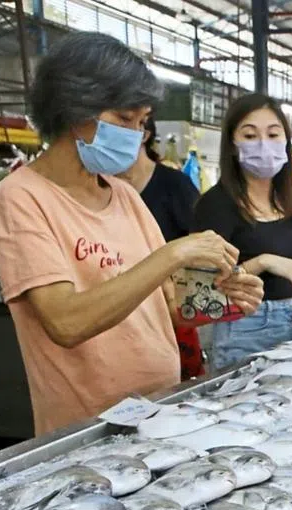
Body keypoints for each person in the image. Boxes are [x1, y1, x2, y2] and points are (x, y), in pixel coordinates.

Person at [0, 32, 263, 435]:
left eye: (141, 121)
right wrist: (172, 254)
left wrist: (226, 301)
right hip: (89, 428)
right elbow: (66, 322)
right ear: (75, 111)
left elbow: (168, 306)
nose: (135, 135)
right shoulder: (20, 197)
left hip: (158, 408)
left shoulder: (124, 196)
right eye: (124, 119)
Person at [192, 93, 292, 370]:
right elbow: (202, 290)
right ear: (232, 145)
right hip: (244, 330)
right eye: (250, 135)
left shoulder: (283, 200)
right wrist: (262, 262)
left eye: (273, 134)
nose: (263, 144)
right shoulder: (216, 205)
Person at [116, 113, 206, 381]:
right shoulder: (103, 188)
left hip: (170, 313)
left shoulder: (175, 186)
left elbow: (202, 248)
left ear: (144, 134)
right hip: (119, 315)